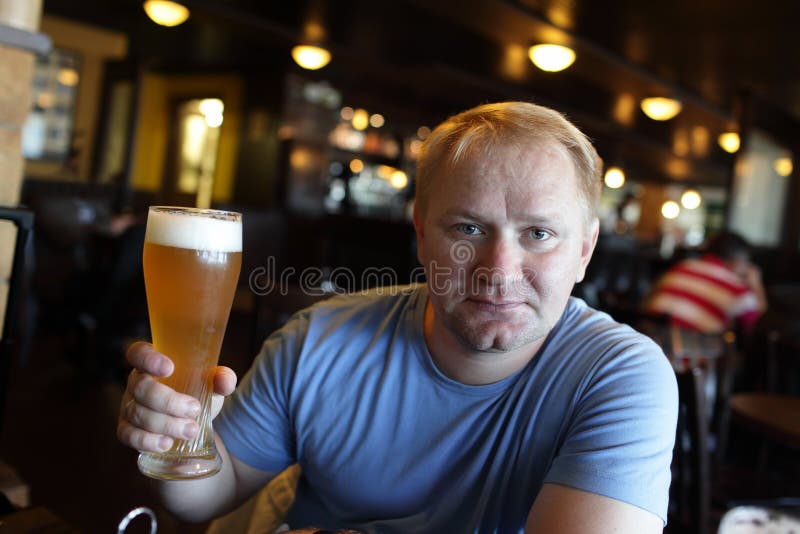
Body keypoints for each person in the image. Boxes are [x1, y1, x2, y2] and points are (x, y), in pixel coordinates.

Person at [117, 102, 677, 533]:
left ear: (584, 250)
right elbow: (214, 492)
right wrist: (175, 439)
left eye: (539, 234)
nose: (499, 270)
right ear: (421, 232)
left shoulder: (621, 376)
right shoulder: (319, 339)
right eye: (468, 229)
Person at [644, 231, 767, 334]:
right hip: (689, 354)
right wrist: (756, 285)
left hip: (645, 340)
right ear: (738, 260)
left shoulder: (683, 266)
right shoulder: (737, 289)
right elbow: (755, 324)